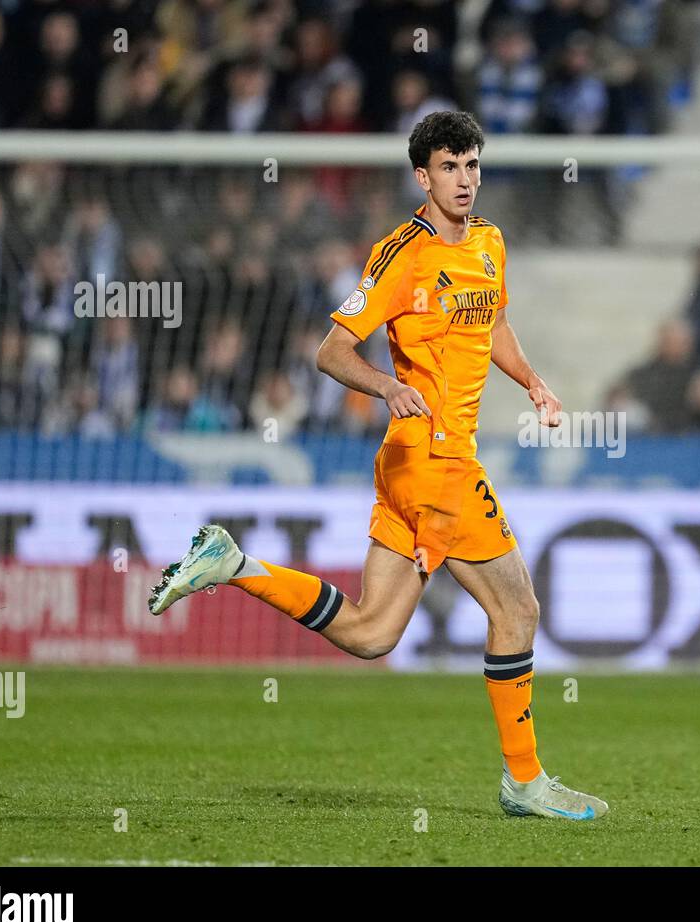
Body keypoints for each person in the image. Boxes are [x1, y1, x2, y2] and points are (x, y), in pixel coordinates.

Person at [147, 111, 607, 822]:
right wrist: (388, 385)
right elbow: (331, 350)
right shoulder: (401, 254)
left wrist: (534, 382)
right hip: (435, 464)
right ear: (422, 176)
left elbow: (497, 323)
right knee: (517, 611)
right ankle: (524, 781)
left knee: (372, 634)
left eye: (473, 165)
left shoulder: (489, 242)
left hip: (411, 467)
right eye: (450, 167)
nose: (465, 180)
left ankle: (235, 566)